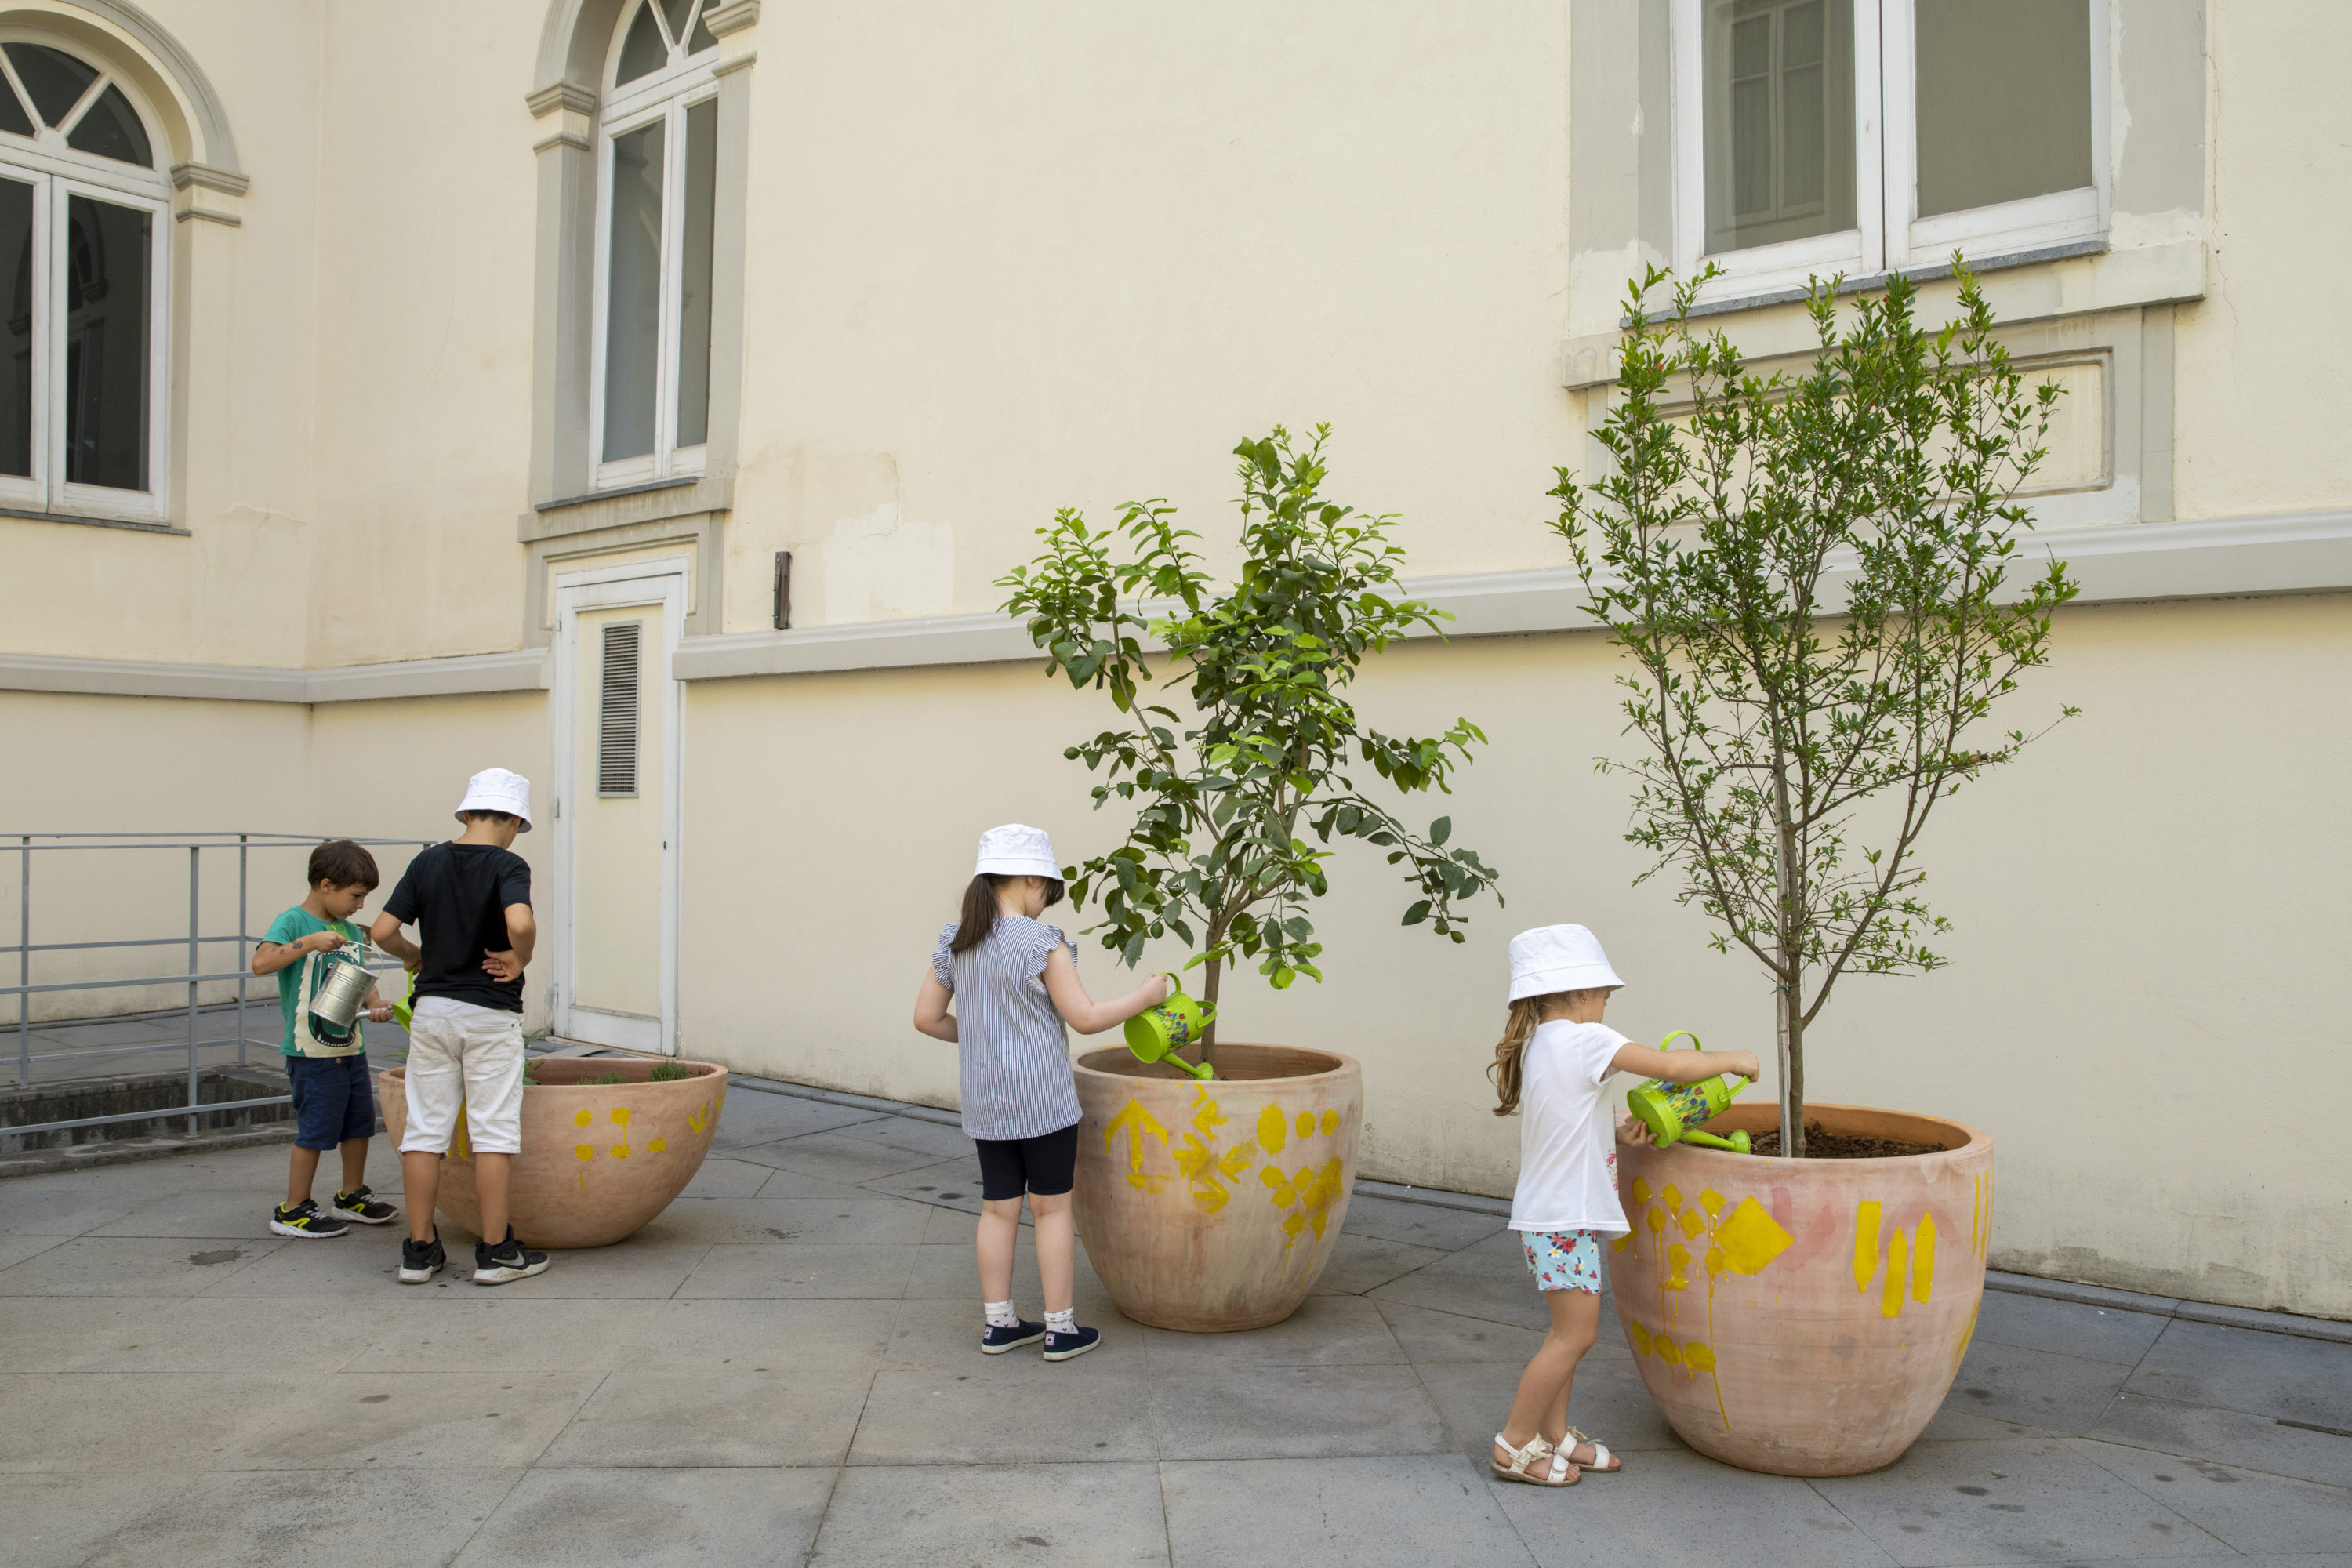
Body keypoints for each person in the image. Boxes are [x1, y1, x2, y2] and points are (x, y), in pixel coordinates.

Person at [1486, 924, 1760, 1488]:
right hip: (1564, 1218)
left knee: (1565, 1332)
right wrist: (1735, 1058)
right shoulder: (1585, 1040)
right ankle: (1513, 1443)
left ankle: (1557, 1434)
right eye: (1604, 990)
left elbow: (1570, 1121)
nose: (1609, 999)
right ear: (1579, 990)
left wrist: (1621, 1130)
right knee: (1575, 1336)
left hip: (1556, 1214)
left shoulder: (1545, 1043)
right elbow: (1674, 1068)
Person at [912, 823, 1171, 1361]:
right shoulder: (1041, 943)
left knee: (997, 1210)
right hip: (1043, 1103)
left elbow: (926, 1019)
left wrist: (980, 1032)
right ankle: (1059, 1329)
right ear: (1031, 878)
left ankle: (1000, 1324)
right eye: (1046, 895)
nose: (1045, 907)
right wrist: (1146, 997)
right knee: (1052, 1211)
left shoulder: (957, 941)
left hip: (987, 1103)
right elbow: (1086, 1017)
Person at [369, 768, 550, 1287]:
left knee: (425, 1131)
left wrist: (415, 957)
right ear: (514, 820)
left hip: (432, 1012)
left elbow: (383, 930)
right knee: (492, 1131)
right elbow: (520, 923)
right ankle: (497, 1253)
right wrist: (521, 959)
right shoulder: (509, 864)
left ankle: (419, 1251)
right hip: (489, 1014)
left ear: (467, 813)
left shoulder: (427, 861)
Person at [252, 840, 401, 1240]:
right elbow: (261, 962)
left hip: (351, 1046)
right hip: (310, 1051)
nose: (360, 906)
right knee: (316, 1128)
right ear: (326, 885)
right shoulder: (294, 921)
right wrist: (308, 943)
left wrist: (377, 1003)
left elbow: (358, 980)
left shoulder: (351, 930)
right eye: (355, 896)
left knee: (359, 1124)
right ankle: (293, 1209)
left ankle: (351, 1195)